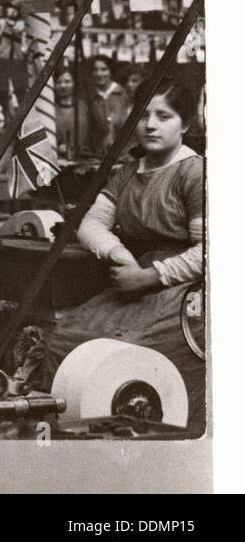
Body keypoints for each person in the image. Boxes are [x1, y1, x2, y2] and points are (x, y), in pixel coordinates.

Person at [45, 82, 206, 434]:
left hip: (186, 292)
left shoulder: (194, 173)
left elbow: (211, 251)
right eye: (144, 115)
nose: (150, 125)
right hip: (135, 278)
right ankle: (76, 431)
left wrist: (151, 276)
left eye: (164, 116)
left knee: (123, 351)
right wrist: (120, 256)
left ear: (187, 125)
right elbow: (91, 223)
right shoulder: (128, 173)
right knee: (63, 337)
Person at [84, 55, 127, 153]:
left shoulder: (123, 95)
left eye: (104, 69)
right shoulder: (91, 99)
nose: (99, 74)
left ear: (110, 71)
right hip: (97, 155)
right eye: (95, 70)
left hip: (124, 154)